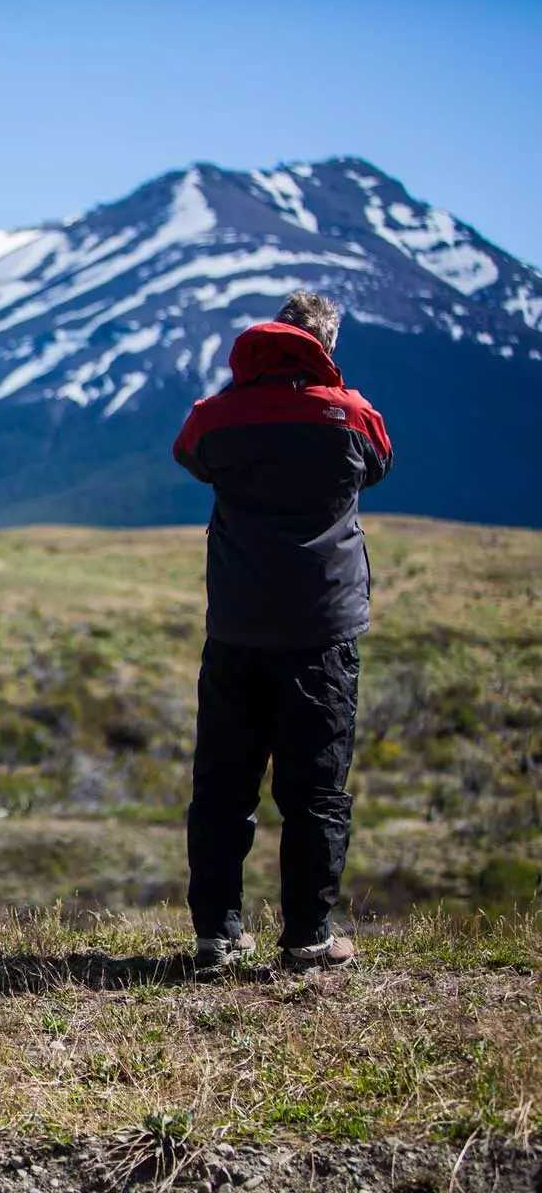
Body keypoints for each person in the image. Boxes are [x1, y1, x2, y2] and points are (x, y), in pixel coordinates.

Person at [172, 291, 393, 974]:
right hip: (322, 629)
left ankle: (217, 936)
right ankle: (307, 937)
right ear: (326, 343)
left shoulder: (217, 416)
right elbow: (379, 463)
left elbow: (192, 454)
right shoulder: (351, 416)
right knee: (316, 790)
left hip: (237, 624)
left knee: (223, 786)